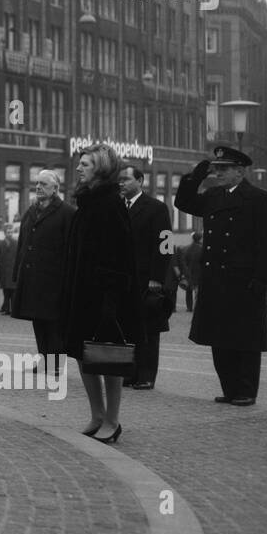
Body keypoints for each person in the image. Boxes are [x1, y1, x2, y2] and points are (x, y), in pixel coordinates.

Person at [174, 145, 267, 406]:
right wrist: (198, 174)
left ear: (240, 172)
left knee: (244, 340)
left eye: (224, 169)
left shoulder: (257, 198)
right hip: (215, 280)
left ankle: (246, 390)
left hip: (243, 281)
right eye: (217, 168)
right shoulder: (213, 195)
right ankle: (230, 389)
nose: (218, 173)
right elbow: (183, 202)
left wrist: (261, 281)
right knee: (218, 338)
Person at [60, 144, 143, 443]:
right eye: (79, 163)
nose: (78, 168)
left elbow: (120, 257)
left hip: (104, 296)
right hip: (81, 293)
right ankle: (96, 414)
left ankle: (112, 419)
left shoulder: (110, 204)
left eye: (85, 164)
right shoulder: (86, 201)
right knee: (83, 355)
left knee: (109, 358)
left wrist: (110, 300)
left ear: (101, 168)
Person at [12, 170, 75, 379]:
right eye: (37, 183)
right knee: (38, 321)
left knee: (54, 322)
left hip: (54, 278)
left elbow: (71, 248)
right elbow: (22, 243)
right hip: (32, 277)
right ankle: (44, 358)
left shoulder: (67, 213)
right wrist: (18, 272)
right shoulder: (31, 211)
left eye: (44, 184)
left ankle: (56, 363)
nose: (38, 187)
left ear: (55, 188)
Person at [118, 164, 173, 391]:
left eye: (126, 179)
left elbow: (165, 245)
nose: (121, 183)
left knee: (148, 330)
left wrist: (157, 278)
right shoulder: (117, 207)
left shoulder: (156, 208)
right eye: (119, 180)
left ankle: (146, 375)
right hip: (123, 281)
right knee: (125, 328)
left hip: (146, 280)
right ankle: (129, 373)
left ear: (140, 181)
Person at [0, 224, 18, 314]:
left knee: (13, 291)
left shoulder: (16, 243)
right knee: (5, 290)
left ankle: (13, 309)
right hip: (4, 269)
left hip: (12, 269)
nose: (10, 234)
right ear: (5, 233)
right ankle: (6, 308)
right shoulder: (0, 244)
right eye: (8, 232)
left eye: (11, 232)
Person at [178, 231, 203, 311]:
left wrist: (184, 273)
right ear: (200, 239)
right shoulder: (202, 249)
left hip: (188, 273)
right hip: (198, 273)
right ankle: (197, 307)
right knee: (197, 292)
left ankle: (189, 307)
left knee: (188, 292)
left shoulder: (186, 248)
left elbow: (183, 262)